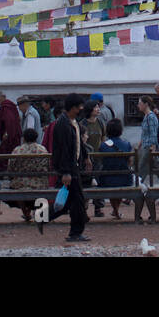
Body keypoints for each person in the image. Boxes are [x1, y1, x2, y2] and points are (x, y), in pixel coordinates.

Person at [46, 93, 90, 241]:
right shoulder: (62, 125)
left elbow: (78, 143)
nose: (81, 109)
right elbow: (63, 149)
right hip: (69, 169)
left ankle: (42, 217)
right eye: (79, 107)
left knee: (68, 202)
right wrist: (65, 172)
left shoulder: (73, 122)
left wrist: (86, 157)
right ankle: (75, 233)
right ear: (73, 107)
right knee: (77, 201)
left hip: (74, 166)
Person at [8, 128, 50, 221]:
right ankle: (41, 217)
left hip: (20, 183)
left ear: (24, 138)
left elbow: (10, 168)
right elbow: (47, 167)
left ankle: (25, 212)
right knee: (42, 187)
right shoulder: (42, 149)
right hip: (39, 182)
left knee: (19, 188)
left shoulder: (18, 150)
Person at [95, 119, 133, 220]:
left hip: (107, 179)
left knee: (112, 181)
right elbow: (130, 161)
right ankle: (116, 210)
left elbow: (101, 161)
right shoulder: (127, 144)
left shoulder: (103, 146)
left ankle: (115, 209)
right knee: (119, 182)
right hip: (125, 179)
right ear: (120, 130)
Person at [136, 95, 159, 188]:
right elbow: (144, 134)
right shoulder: (146, 116)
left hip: (149, 147)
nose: (138, 105)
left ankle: (134, 191)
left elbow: (153, 133)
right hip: (146, 146)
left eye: (140, 103)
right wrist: (139, 145)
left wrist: (153, 147)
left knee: (141, 169)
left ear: (146, 104)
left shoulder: (151, 117)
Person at [0, 92, 21, 164]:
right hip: (10, 134)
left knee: (5, 154)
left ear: (3, 97)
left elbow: (10, 120)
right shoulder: (8, 106)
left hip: (10, 135)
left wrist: (7, 132)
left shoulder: (7, 106)